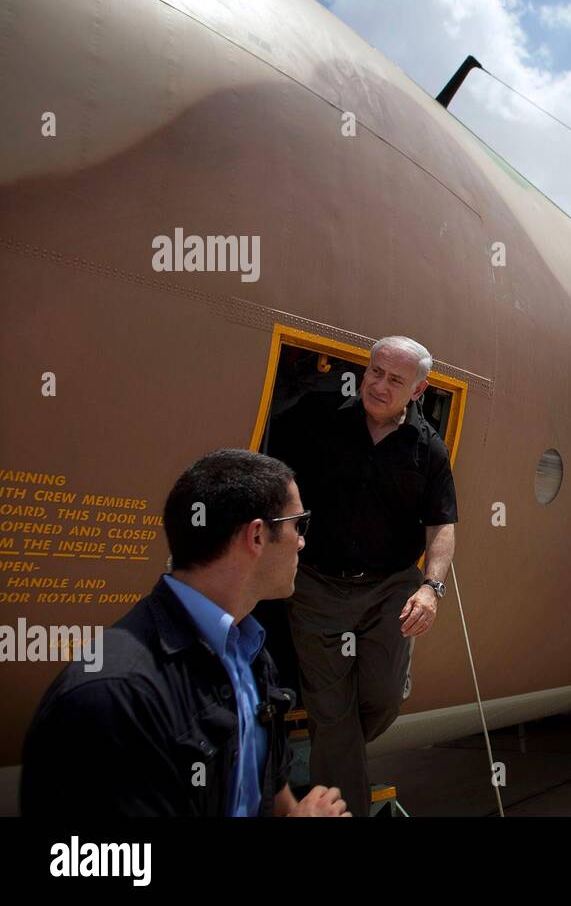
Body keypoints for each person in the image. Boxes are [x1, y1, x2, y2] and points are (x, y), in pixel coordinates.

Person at [21, 449, 348, 816]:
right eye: (296, 524)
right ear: (257, 535)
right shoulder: (112, 696)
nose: (302, 541)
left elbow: (271, 796)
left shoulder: (252, 654)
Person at [271, 335, 457, 816]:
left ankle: (333, 754)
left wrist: (431, 589)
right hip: (316, 586)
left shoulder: (428, 450)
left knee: (384, 699)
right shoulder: (320, 423)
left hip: (389, 588)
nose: (378, 385)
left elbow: (442, 525)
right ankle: (343, 807)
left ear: (418, 389)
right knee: (330, 712)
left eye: (395, 379)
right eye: (375, 371)